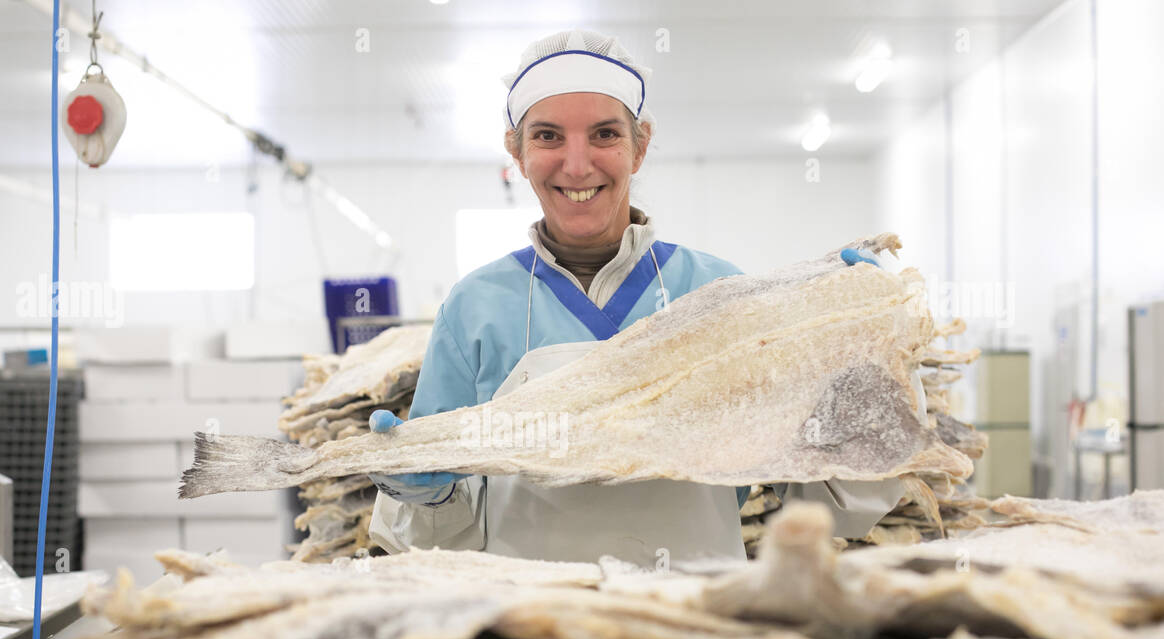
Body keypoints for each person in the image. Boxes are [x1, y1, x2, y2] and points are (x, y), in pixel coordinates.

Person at [367, 29, 923, 569]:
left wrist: (869, 356)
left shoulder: (721, 296)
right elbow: (439, 542)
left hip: (694, 620)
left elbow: (833, 501)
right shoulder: (473, 310)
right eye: (548, 136)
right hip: (532, 629)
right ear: (515, 151)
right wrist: (426, 495)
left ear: (641, 146)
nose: (578, 164)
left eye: (605, 134)